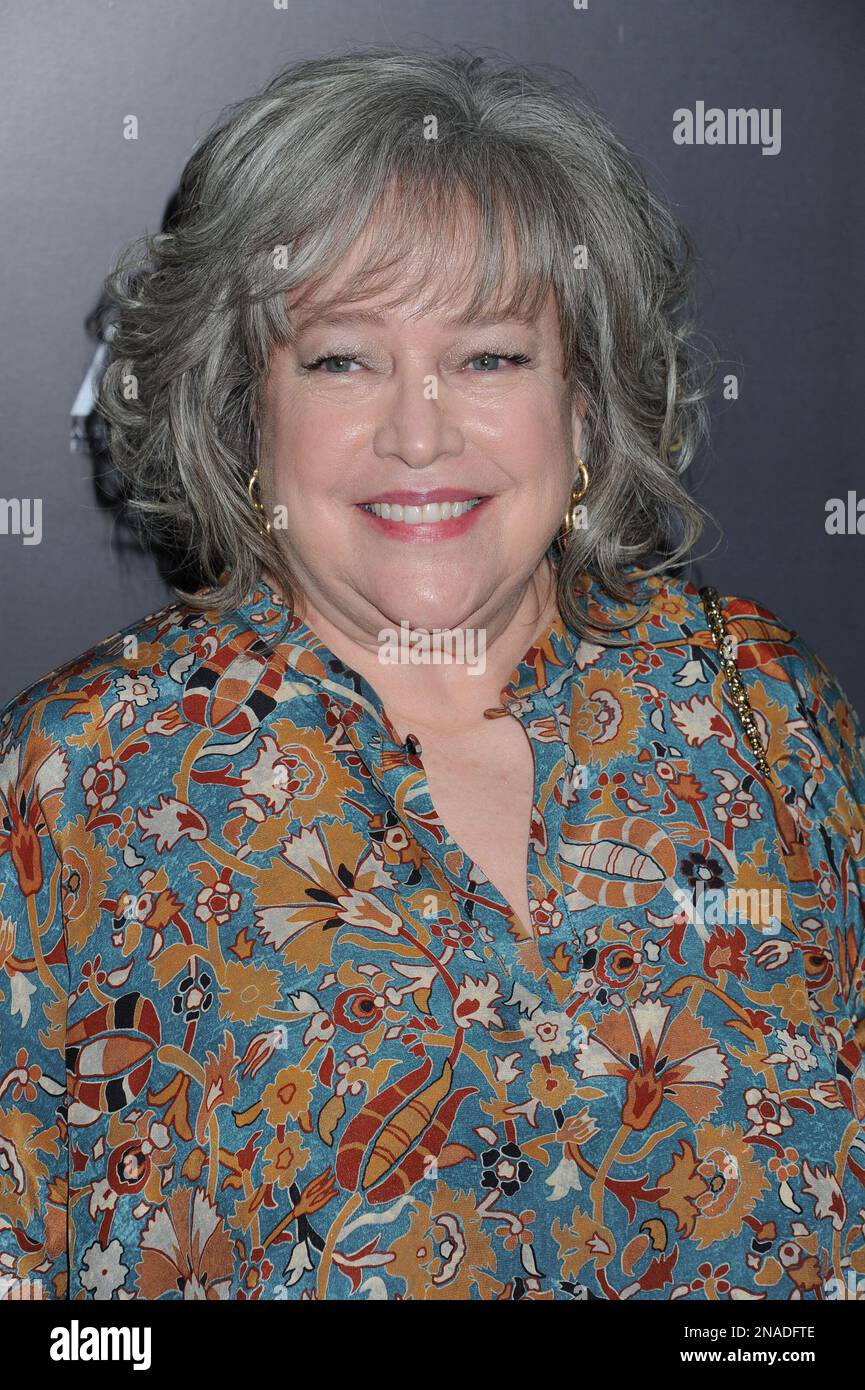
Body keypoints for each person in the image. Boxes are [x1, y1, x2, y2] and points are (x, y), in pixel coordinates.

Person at [1, 47, 864, 1302]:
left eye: (491, 358)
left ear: (583, 408)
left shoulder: (761, 704)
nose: (418, 432)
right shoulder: (76, 781)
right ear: (248, 414)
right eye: (342, 359)